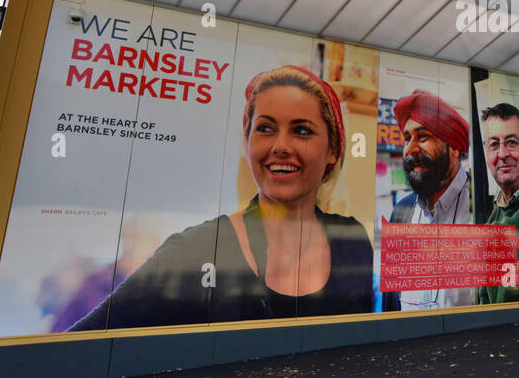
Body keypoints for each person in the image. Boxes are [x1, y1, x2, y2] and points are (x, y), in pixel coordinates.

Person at [70, 65, 373, 330]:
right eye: (265, 128)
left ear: (333, 150)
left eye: (302, 131)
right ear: (248, 140)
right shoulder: (198, 251)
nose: (281, 146)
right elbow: (80, 349)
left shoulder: (352, 240)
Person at [381, 90, 473, 312]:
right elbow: (391, 303)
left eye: (422, 137)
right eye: (406, 139)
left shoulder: (480, 207)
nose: (410, 149)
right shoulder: (401, 212)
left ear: (453, 148)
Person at [476, 102, 519, 304]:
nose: (503, 154)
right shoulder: (499, 210)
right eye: (494, 144)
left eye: (512, 142)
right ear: (487, 155)